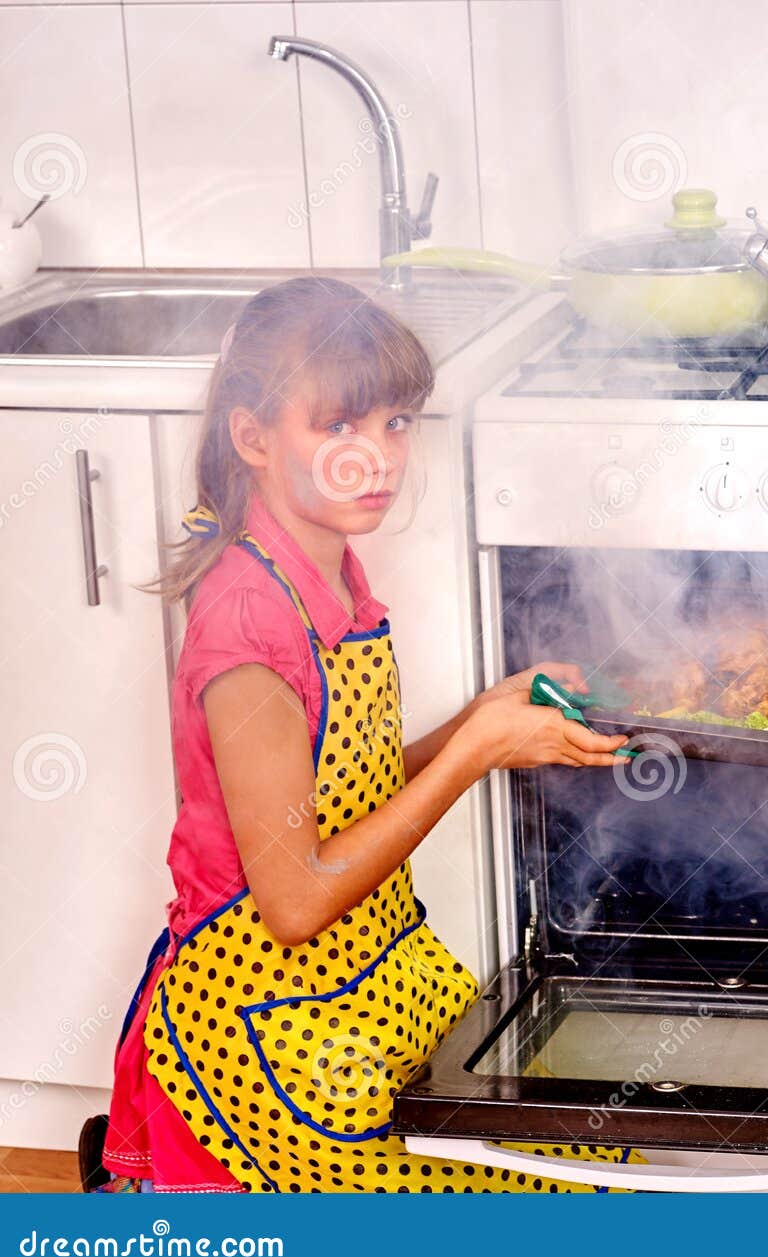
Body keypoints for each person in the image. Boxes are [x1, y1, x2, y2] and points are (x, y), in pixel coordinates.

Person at [102, 277, 635, 1192]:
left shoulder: (333, 573)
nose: (377, 458)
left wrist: (483, 713)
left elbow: (348, 784)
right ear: (253, 438)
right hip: (271, 1026)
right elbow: (297, 901)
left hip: (368, 985)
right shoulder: (245, 625)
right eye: (339, 427)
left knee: (590, 1157)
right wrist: (476, 754)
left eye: (396, 424)